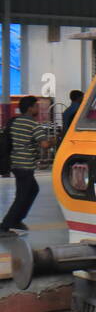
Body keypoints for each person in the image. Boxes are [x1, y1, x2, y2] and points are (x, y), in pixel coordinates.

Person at [0, 96, 52, 235]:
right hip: (25, 165)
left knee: (33, 189)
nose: (38, 108)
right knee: (22, 196)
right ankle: (5, 225)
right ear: (30, 108)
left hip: (16, 163)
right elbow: (45, 144)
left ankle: (17, 220)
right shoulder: (33, 124)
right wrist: (53, 140)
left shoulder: (15, 122)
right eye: (36, 106)